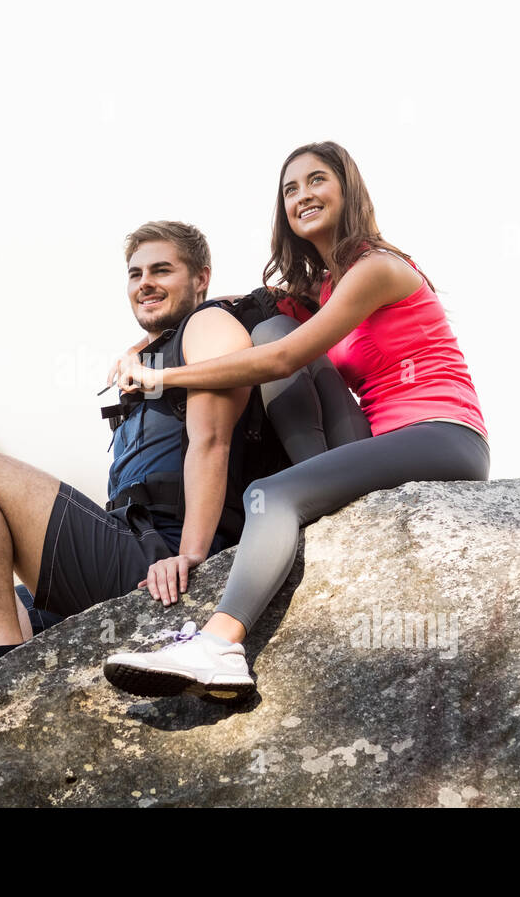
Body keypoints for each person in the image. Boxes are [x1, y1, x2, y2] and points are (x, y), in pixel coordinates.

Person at [102, 141, 491, 700]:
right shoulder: (325, 286)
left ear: (346, 189)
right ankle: (317, 495)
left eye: (316, 181)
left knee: (270, 495)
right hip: (384, 436)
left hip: (441, 435)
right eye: (290, 189)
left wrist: (166, 378)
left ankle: (221, 645)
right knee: (271, 326)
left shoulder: (377, 270)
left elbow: (282, 365)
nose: (302, 195)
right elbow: (246, 309)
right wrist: (146, 343)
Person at [0, 220, 267, 707]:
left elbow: (212, 441)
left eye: (162, 270)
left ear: (201, 277)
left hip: (158, 558)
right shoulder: (145, 357)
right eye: (135, 273)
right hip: (123, 544)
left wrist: (189, 556)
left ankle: (2, 663)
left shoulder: (209, 325)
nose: (145, 282)